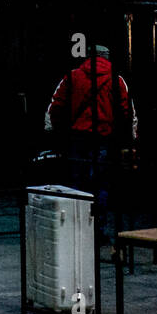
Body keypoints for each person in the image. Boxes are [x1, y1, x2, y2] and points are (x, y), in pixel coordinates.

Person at [46, 44, 138, 234]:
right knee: (100, 184)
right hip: (102, 138)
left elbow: (55, 107)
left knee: (76, 184)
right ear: (107, 57)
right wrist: (131, 140)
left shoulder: (71, 77)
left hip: (78, 138)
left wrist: (53, 132)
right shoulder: (116, 79)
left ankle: (75, 228)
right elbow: (128, 113)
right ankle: (98, 228)